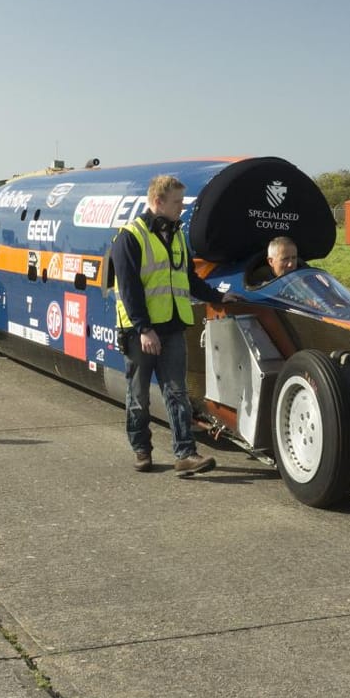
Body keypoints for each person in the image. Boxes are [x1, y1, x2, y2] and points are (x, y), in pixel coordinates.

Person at [110, 174, 236, 476]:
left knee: (177, 392)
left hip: (172, 326)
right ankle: (142, 450)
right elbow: (129, 289)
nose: (182, 207)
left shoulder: (177, 235)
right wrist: (144, 329)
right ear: (158, 202)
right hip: (140, 332)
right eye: (177, 202)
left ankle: (185, 454)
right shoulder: (130, 237)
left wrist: (217, 296)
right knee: (138, 395)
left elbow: (188, 278)